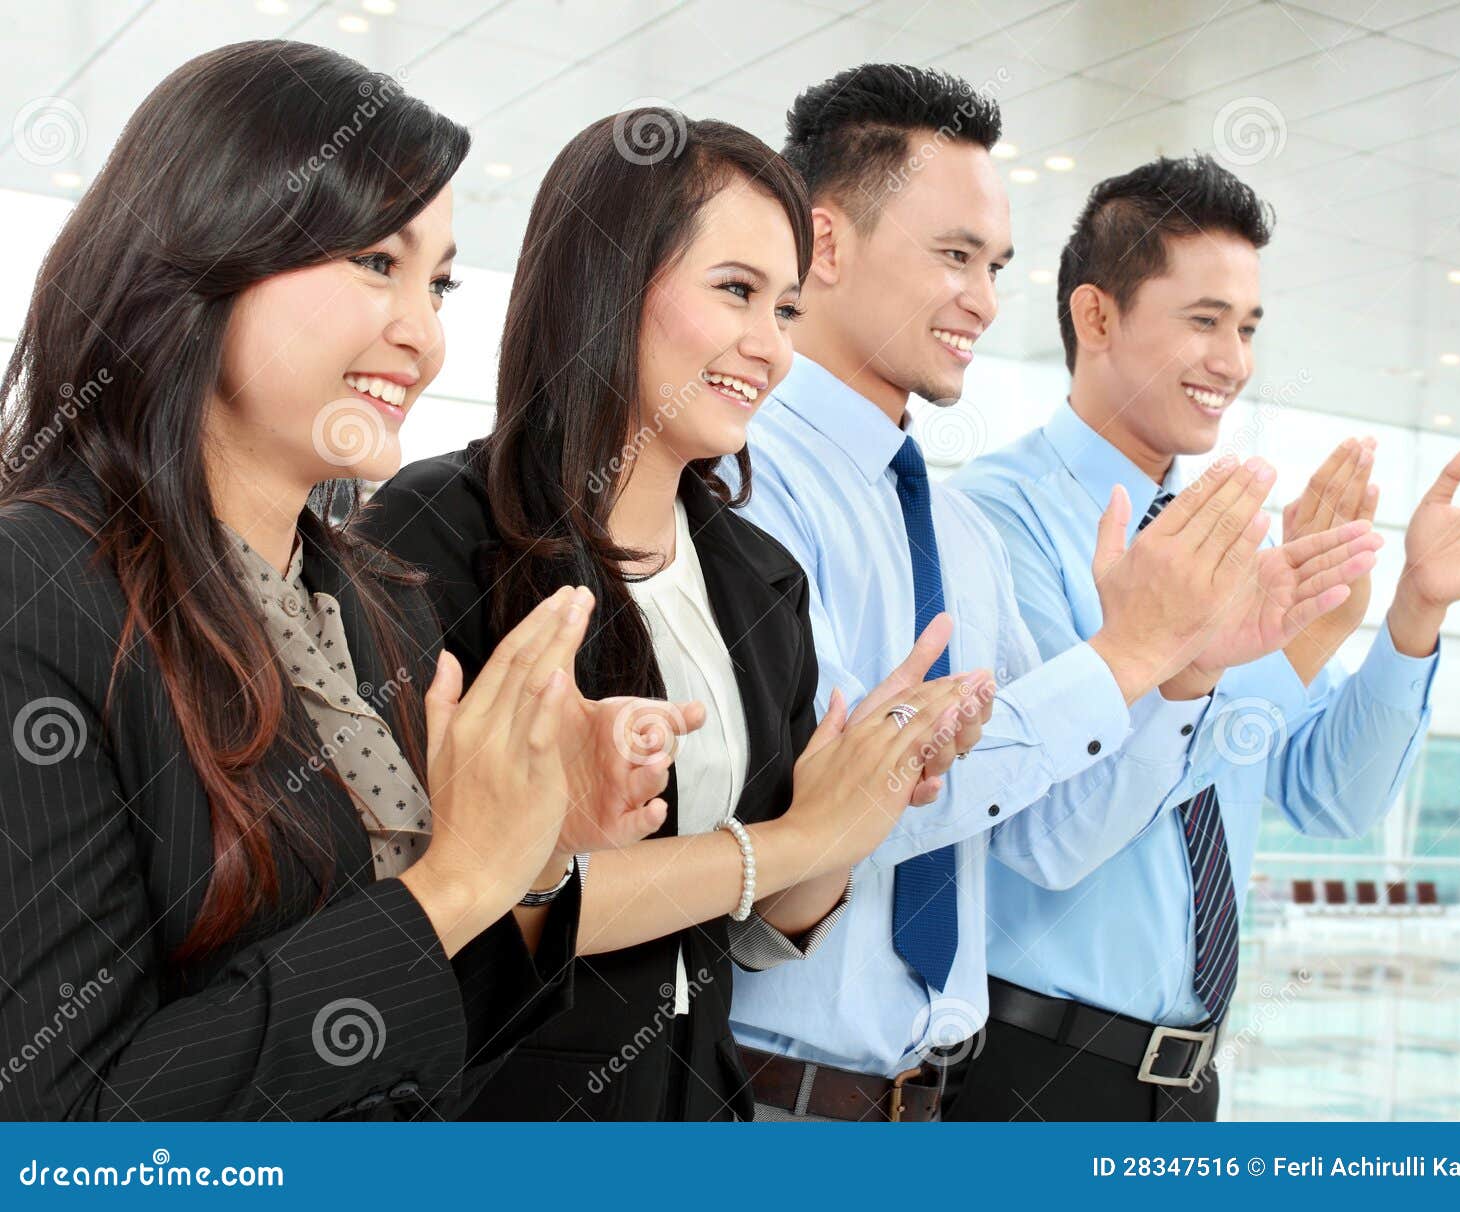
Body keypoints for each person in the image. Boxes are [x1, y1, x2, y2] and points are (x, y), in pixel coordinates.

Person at [0, 41, 687, 1121]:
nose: (422, 333)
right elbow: (59, 1134)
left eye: (441, 281)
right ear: (207, 251)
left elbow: (425, 1047)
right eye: (378, 261)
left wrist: (533, 852)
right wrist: (454, 878)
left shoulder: (378, 608)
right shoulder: (35, 594)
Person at [726, 66, 1380, 1121]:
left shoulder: (952, 532)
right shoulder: (744, 482)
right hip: (783, 1099)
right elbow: (846, 813)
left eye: (993, 264)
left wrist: (1186, 673)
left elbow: (1046, 838)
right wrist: (1131, 657)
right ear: (826, 245)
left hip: (926, 1099)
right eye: (952, 256)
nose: (983, 300)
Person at [360, 109, 985, 1122]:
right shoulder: (437, 532)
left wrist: (856, 802)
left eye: (784, 309)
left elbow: (764, 923)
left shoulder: (758, 576)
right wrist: (788, 842)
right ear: (606, 282)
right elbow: (474, 903)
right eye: (734, 291)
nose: (767, 348)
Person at [946, 154, 1460, 1121]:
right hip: (1036, 1073)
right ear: (1096, 318)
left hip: (1188, 1084)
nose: (1236, 361)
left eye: (1249, 327)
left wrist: (1413, 614)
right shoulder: (992, 523)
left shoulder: (1223, 540)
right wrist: (1200, 668)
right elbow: (1047, 832)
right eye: (1205, 320)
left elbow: (1330, 795)